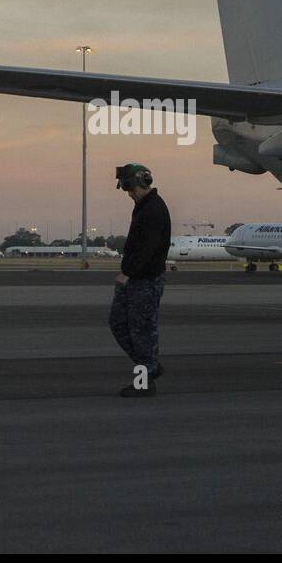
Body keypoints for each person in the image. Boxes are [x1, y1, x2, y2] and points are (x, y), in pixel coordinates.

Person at [109, 163, 171, 397]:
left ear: (143, 184)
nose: (129, 194)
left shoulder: (153, 209)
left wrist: (129, 273)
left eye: (131, 189)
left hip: (144, 280)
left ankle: (144, 382)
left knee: (141, 331)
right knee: (118, 323)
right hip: (136, 279)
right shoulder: (143, 206)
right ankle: (150, 366)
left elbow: (148, 249)